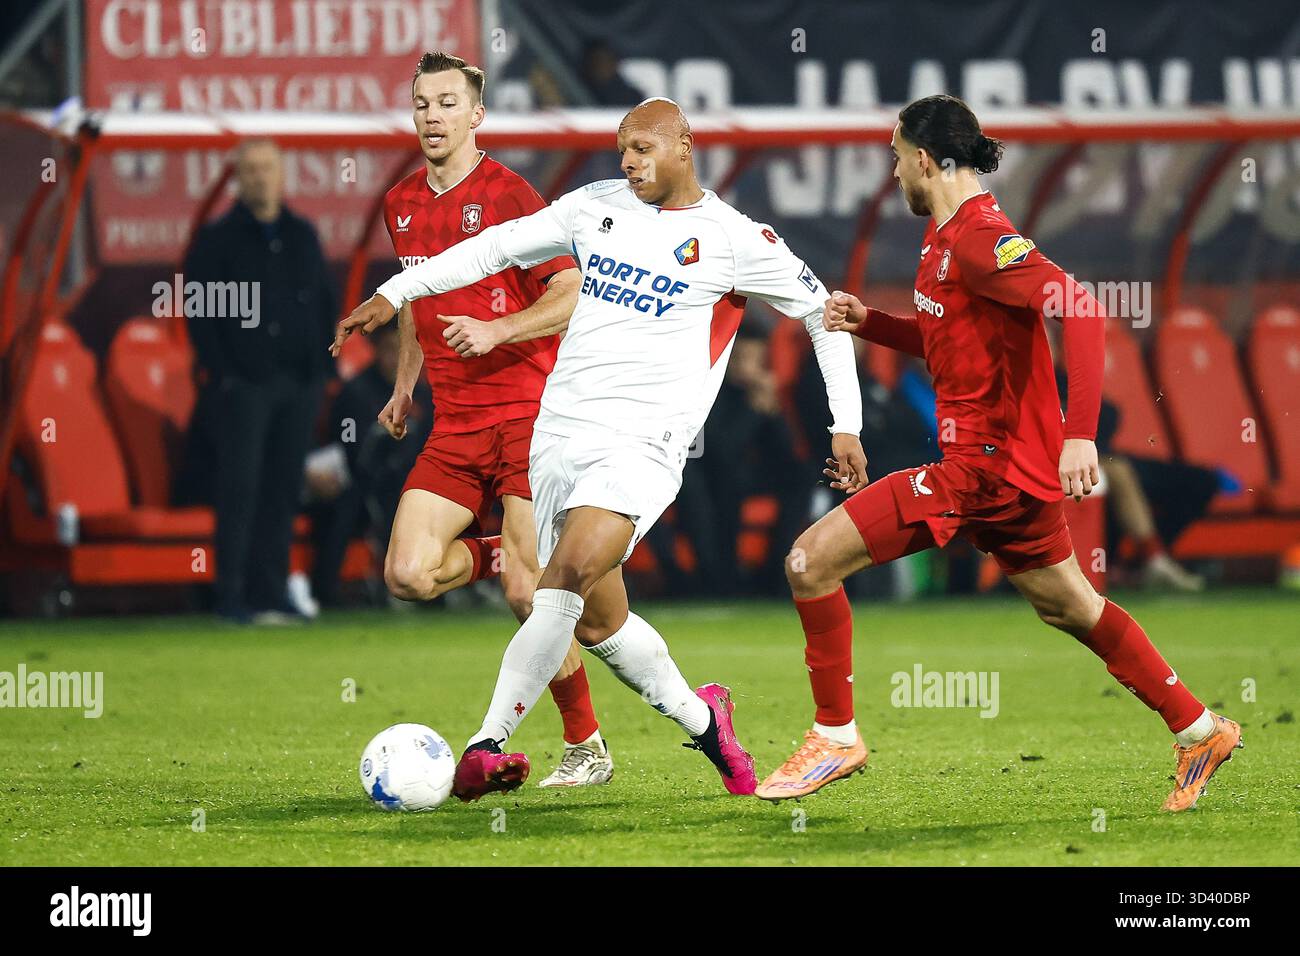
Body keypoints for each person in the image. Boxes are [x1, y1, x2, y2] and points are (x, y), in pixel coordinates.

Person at [333, 97, 866, 802]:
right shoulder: (592, 207)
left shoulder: (735, 238)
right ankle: (708, 720)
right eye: (622, 148)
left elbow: (825, 314)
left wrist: (846, 423)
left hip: (641, 448)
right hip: (559, 438)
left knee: (561, 579)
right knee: (600, 622)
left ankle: (482, 748)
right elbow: (490, 249)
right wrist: (392, 291)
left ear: (683, 145)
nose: (629, 161)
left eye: (644, 147)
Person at [756, 95, 1242, 812]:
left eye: (896, 159)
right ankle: (1198, 728)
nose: (894, 175)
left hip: (980, 471)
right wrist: (875, 324)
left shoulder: (982, 237)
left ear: (925, 159)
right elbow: (950, 338)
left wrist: (1081, 434)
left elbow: (1080, 308)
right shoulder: (946, 238)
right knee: (1073, 606)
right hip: (1010, 479)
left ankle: (835, 734)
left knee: (809, 561)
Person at [368, 51, 611, 789]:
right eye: (422, 103)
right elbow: (415, 298)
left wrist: (501, 332)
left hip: (529, 418)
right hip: (456, 424)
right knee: (407, 575)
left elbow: (573, 289)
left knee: (525, 593)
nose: (433, 116)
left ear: (477, 115)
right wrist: (406, 386)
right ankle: (492, 552)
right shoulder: (401, 201)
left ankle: (586, 747)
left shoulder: (512, 195)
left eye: (447, 103)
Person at [185, 140, 337, 624]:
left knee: (283, 489)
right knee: (240, 490)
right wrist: (225, 374)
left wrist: (320, 369)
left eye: (267, 168)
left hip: (297, 383)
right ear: (237, 179)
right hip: (243, 388)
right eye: (249, 170)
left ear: (282, 175)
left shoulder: (302, 234)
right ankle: (231, 595)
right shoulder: (216, 240)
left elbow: (324, 301)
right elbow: (200, 312)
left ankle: (272, 592)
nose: (259, 178)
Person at [304, 321, 433, 607]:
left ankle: (433, 591)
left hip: (408, 483)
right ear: (375, 350)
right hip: (360, 482)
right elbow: (346, 445)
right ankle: (327, 592)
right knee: (343, 506)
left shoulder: (423, 394)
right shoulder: (357, 392)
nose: (394, 358)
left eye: (401, 350)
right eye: (388, 349)